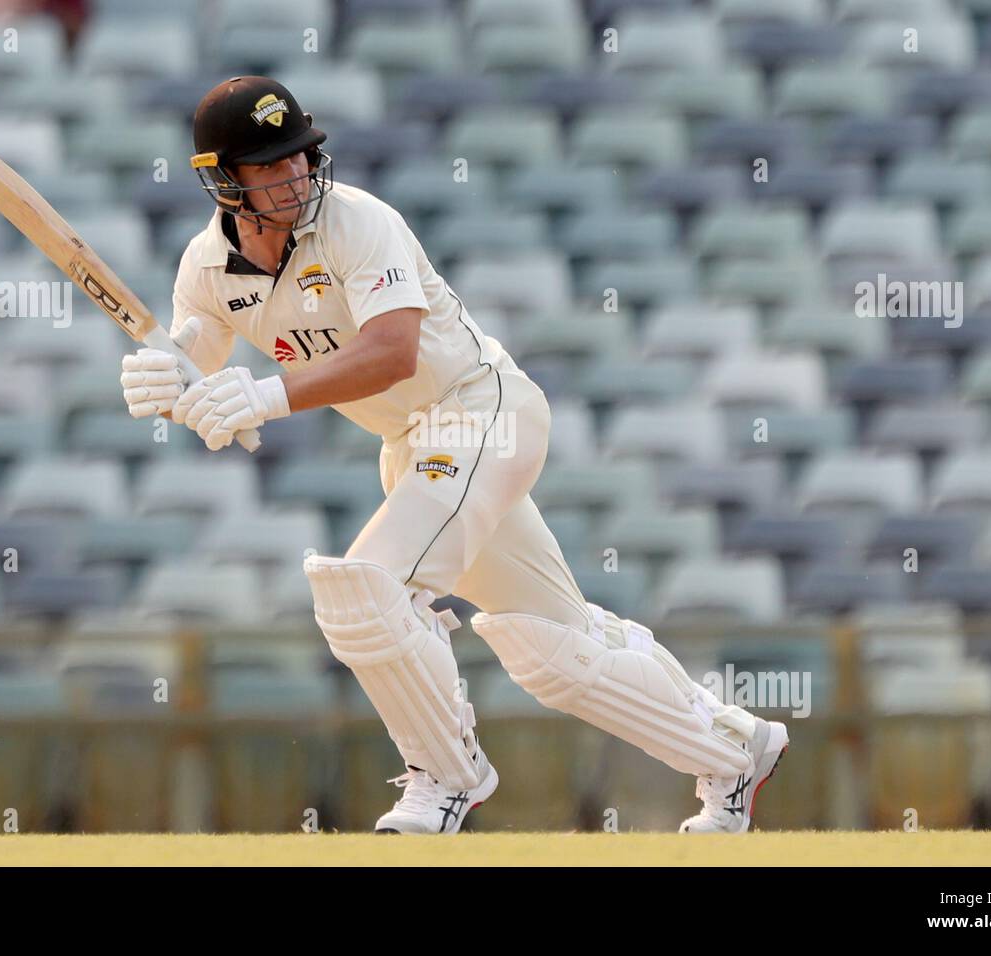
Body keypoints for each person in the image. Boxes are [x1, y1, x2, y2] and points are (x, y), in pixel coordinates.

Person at [119, 76, 789, 834]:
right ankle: (737, 752)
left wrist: (264, 397)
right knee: (556, 652)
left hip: (480, 412)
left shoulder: (358, 223)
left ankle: (447, 778)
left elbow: (392, 354)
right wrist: (165, 381)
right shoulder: (204, 270)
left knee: (365, 587)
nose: (294, 177)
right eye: (269, 167)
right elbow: (195, 366)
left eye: (300, 157)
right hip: (411, 447)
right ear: (224, 181)